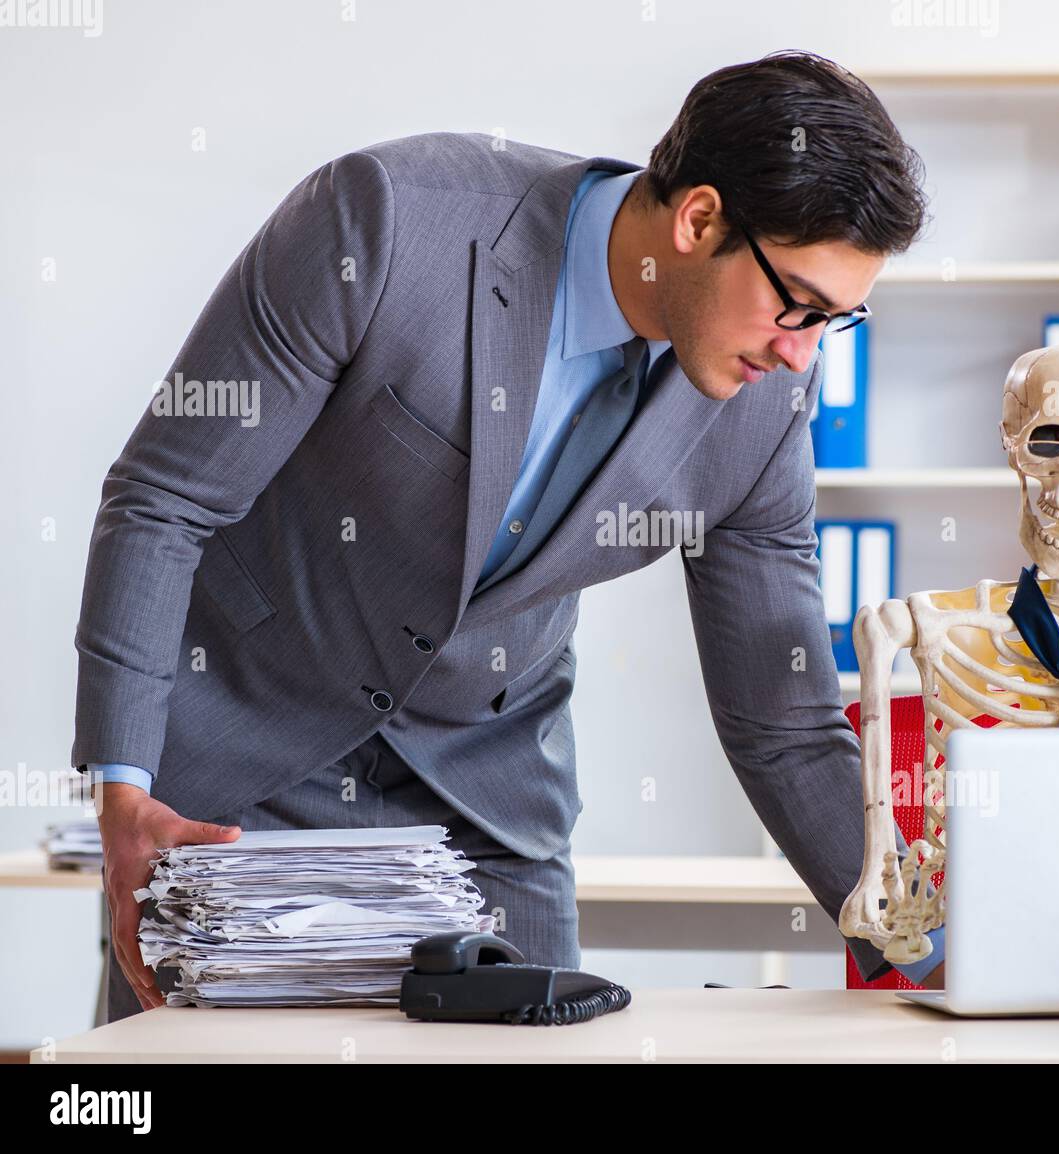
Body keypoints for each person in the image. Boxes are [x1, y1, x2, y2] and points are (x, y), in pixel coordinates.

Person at [74, 50, 943, 1020]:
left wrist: (928, 947)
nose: (801, 354)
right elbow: (164, 498)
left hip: (489, 806)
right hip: (245, 774)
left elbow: (780, 717)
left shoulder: (763, 404)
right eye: (799, 306)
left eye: (838, 321)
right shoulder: (385, 221)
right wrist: (121, 786)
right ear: (699, 219)